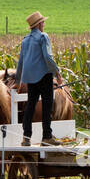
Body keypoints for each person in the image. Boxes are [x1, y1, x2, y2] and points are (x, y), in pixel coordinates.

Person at [16, 10, 59, 145]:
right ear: (39, 24)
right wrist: (57, 72)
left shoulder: (25, 40)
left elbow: (21, 61)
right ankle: (47, 136)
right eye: (43, 22)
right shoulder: (43, 37)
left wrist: (18, 81)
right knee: (47, 106)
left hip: (30, 78)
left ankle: (26, 137)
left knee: (30, 106)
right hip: (45, 76)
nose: (44, 24)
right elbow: (47, 57)